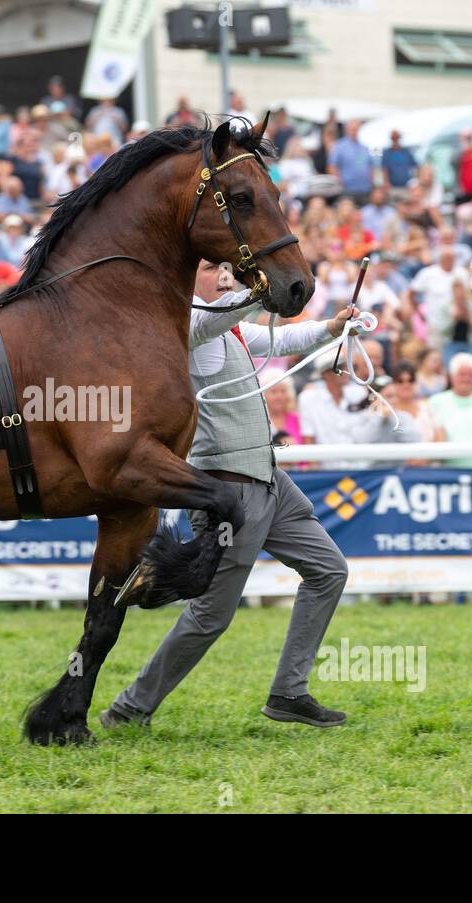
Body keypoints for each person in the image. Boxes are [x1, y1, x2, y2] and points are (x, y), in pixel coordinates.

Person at [101, 260, 355, 731]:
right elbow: (214, 319)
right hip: (229, 488)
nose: (223, 275)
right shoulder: (188, 323)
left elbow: (286, 339)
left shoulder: (232, 328)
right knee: (210, 616)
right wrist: (263, 288)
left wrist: (334, 327)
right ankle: (129, 709)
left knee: (329, 570)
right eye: (208, 267)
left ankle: (289, 693)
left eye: (225, 268)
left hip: (269, 478)